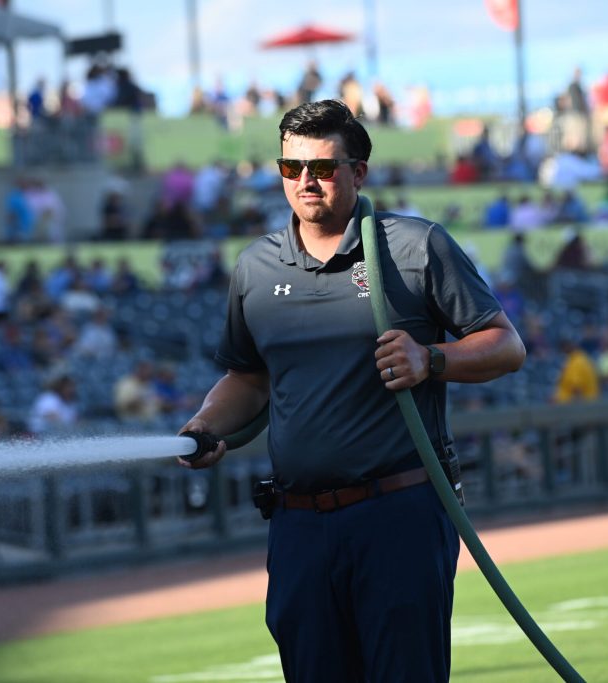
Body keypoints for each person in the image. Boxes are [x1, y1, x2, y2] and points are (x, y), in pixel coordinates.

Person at [177, 99, 524, 682]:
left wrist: (430, 358)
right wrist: (206, 425)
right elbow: (248, 376)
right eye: (292, 168)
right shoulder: (255, 267)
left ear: (358, 172)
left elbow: (505, 345)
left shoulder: (416, 247)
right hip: (297, 526)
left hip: (399, 515)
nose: (306, 181)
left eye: (323, 168)